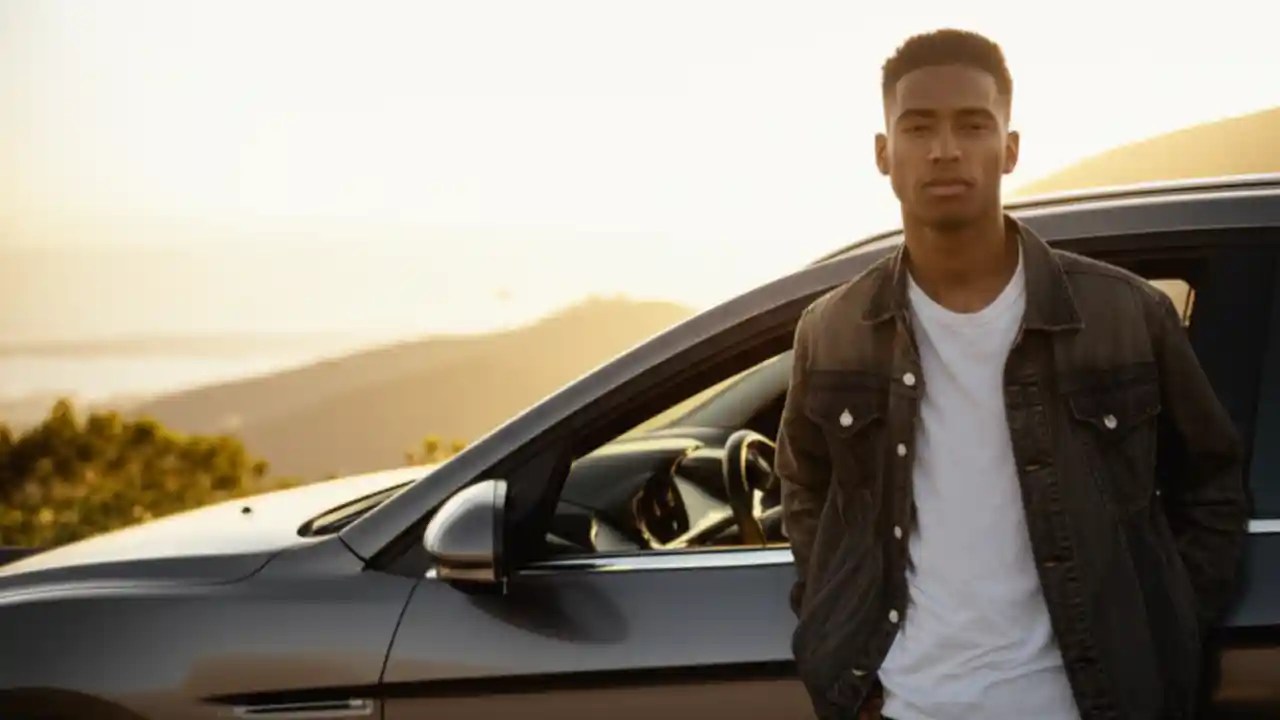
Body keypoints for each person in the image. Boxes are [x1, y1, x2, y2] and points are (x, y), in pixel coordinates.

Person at [775, 28, 1248, 720]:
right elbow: (806, 487)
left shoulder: (1124, 317)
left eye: (973, 125)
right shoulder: (834, 332)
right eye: (918, 127)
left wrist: (1165, 622)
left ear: (1011, 147)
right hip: (907, 704)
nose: (944, 149)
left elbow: (1210, 480)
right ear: (884, 154)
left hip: (1085, 703)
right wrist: (833, 613)